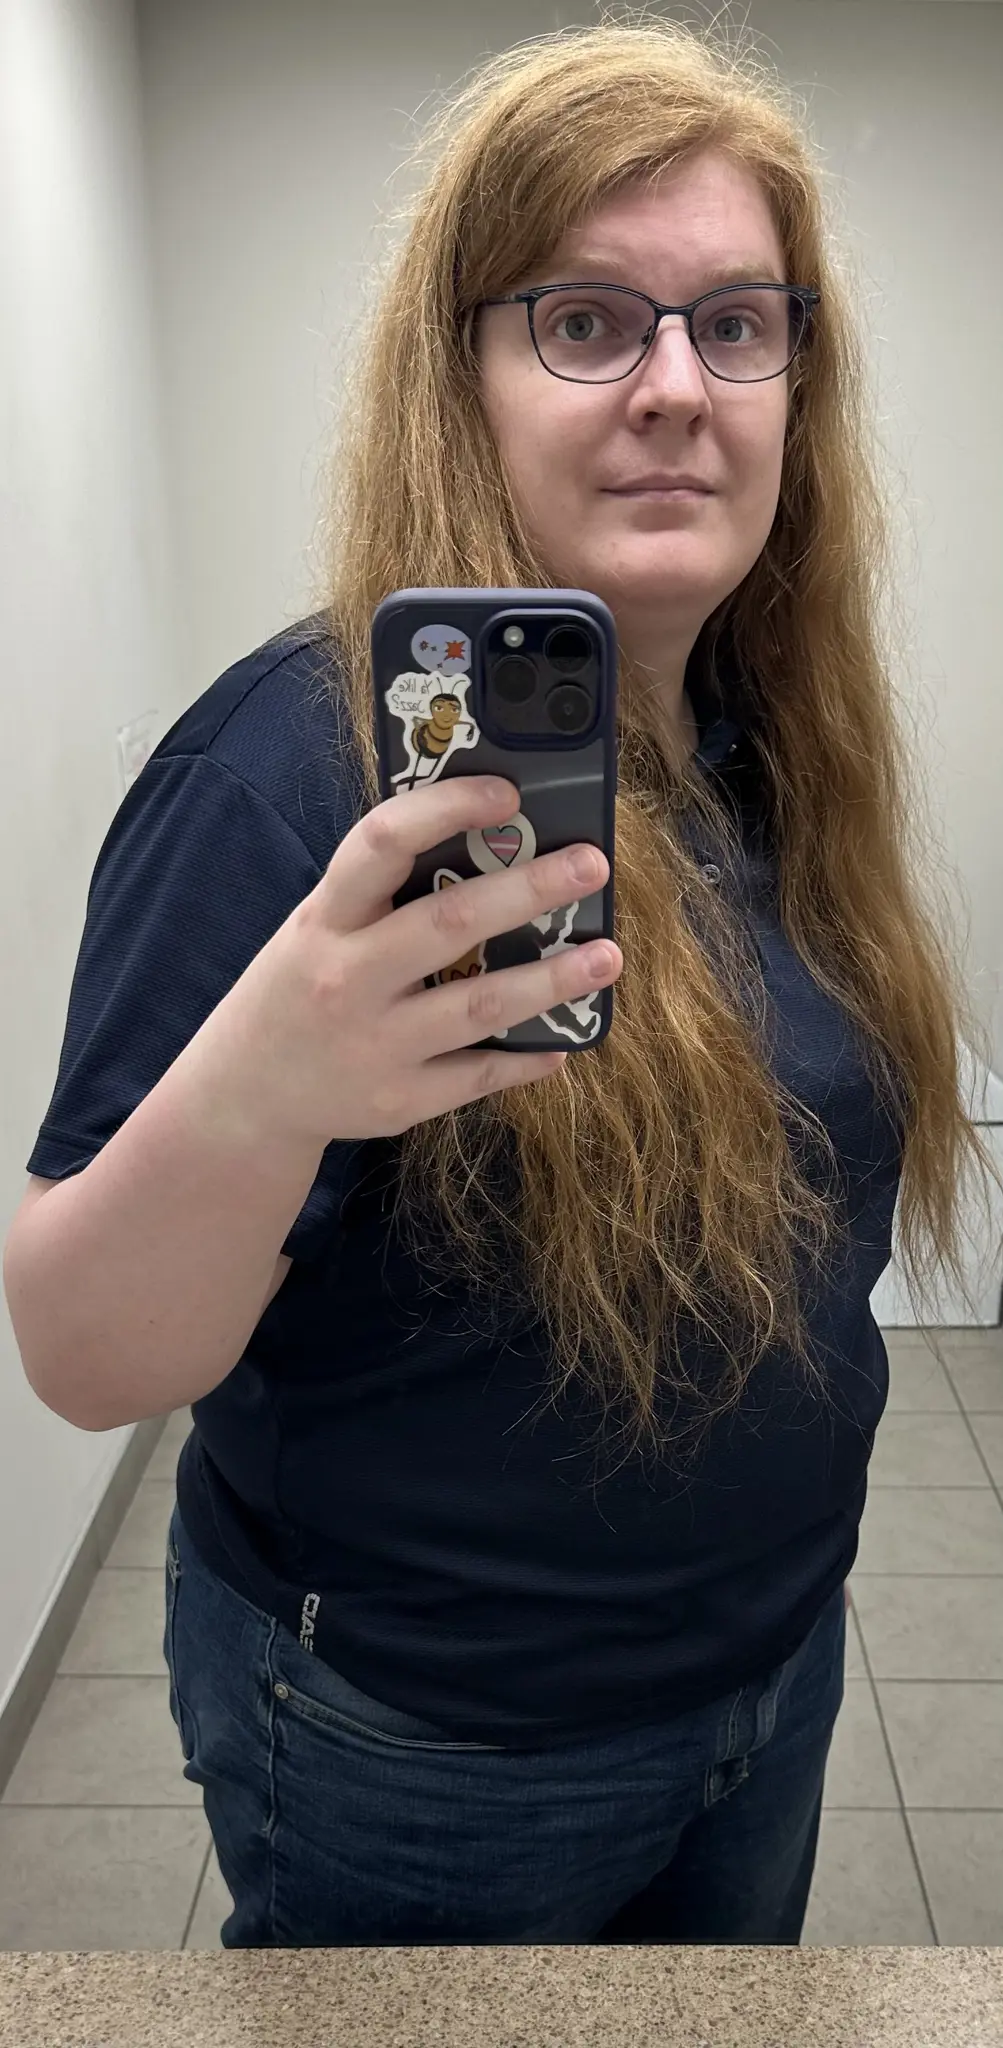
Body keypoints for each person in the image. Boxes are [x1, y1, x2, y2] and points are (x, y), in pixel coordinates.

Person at [4, 18, 999, 1951]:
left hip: (770, 1670)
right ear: (457, 371)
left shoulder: (781, 738)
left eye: (736, 322)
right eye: (584, 319)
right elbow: (83, 1353)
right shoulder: (292, 776)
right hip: (425, 1747)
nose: (673, 388)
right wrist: (270, 1082)